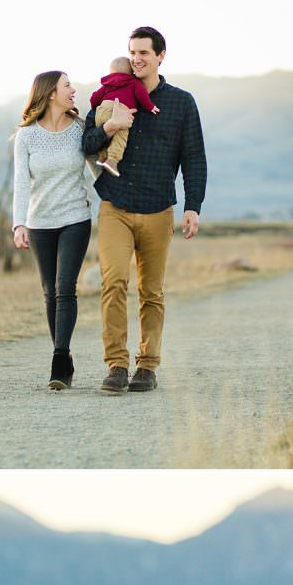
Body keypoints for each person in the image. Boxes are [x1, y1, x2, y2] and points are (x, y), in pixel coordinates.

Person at [82, 26, 207, 394]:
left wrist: (193, 206)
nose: (136, 59)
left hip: (158, 208)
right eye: (132, 52)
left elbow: (194, 157)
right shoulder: (110, 95)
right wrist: (110, 127)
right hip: (115, 205)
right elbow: (86, 143)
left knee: (151, 291)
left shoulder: (181, 103)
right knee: (113, 283)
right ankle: (116, 364)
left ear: (160, 56)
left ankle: (147, 366)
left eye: (144, 53)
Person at [12, 70, 94, 390]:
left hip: (75, 218)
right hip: (40, 224)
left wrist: (120, 199)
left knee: (65, 287)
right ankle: (65, 355)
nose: (73, 90)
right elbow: (21, 183)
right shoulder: (27, 136)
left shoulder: (80, 129)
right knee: (50, 292)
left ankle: (58, 361)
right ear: (50, 94)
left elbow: (97, 169)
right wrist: (19, 223)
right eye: (67, 85)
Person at [89, 56, 159, 177]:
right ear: (131, 72)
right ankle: (112, 160)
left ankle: (102, 157)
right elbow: (141, 94)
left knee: (103, 132)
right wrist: (150, 106)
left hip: (101, 110)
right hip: (121, 110)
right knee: (121, 136)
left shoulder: (107, 84)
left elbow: (94, 97)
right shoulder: (133, 82)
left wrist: (95, 109)